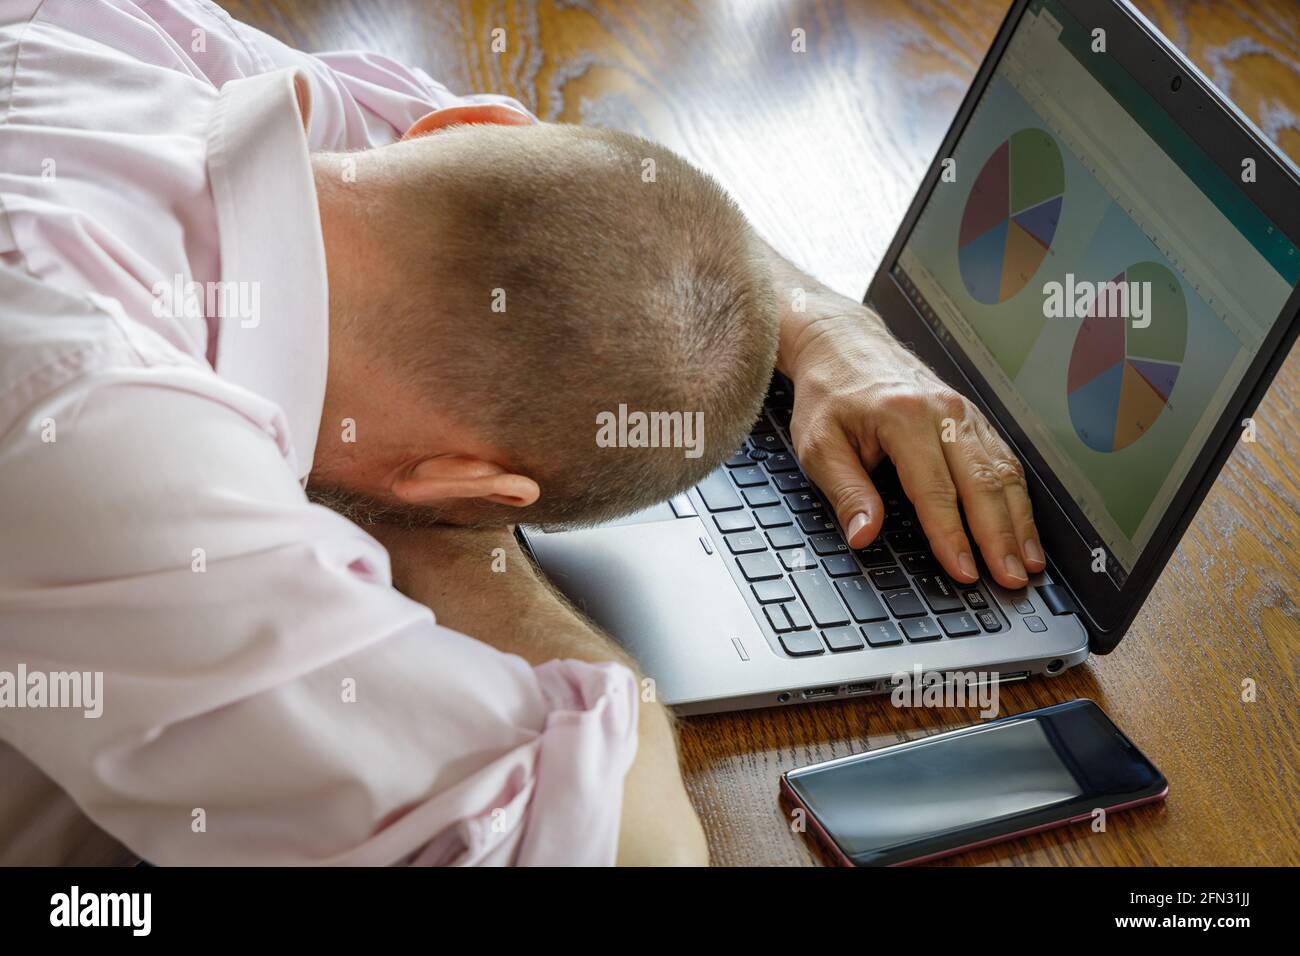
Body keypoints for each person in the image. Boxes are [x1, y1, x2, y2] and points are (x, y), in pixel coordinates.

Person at [0, 0, 1045, 866]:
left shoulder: (105, 30)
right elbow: (631, 847)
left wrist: (826, 323)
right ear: (464, 482)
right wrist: (470, 549)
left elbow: (552, 193)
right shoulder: (115, 447)